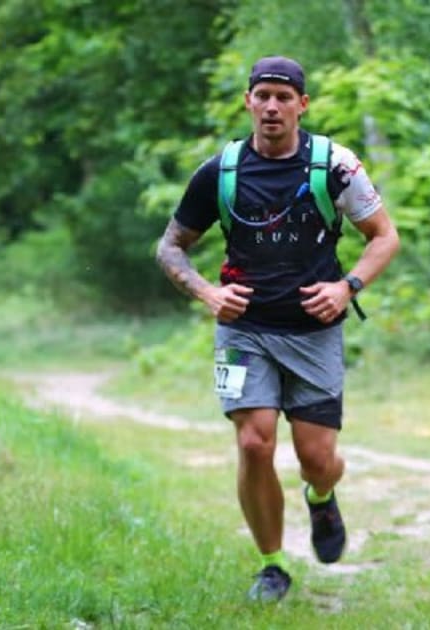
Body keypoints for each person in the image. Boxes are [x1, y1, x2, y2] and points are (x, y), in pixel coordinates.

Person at [155, 55, 400, 603]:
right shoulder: (220, 171)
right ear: (248, 101)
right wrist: (206, 292)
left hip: (315, 330)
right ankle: (271, 565)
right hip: (245, 330)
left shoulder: (334, 165)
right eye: (262, 95)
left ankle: (321, 496)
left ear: (301, 105)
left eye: (283, 97)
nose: (271, 106)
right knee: (254, 442)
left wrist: (348, 288)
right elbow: (170, 245)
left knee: (317, 458)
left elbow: (384, 236)